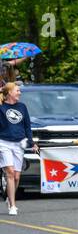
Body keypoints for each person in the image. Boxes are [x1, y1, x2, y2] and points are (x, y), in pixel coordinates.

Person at [1, 81, 36, 217]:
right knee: (9, 172)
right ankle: (13, 206)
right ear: (9, 92)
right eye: (17, 90)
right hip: (3, 142)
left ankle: (10, 198)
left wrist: (32, 143)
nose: (20, 93)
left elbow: (27, 126)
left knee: (16, 176)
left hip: (19, 143)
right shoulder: (1, 107)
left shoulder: (22, 107)